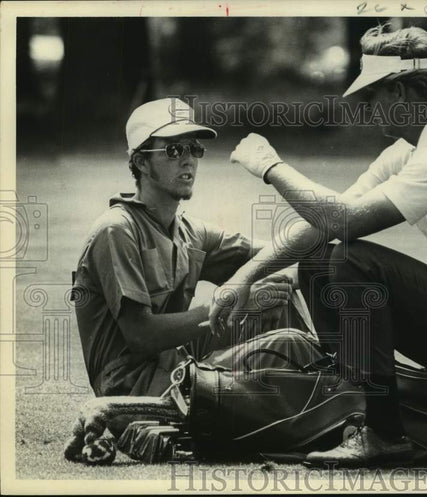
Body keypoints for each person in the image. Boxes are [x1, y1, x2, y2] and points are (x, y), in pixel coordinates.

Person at [209, 25, 427, 466]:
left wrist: (271, 166)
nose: (367, 107)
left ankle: (384, 433)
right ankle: (347, 410)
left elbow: (344, 223)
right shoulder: (415, 146)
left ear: (405, 93)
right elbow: (323, 225)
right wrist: (246, 277)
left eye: (373, 95)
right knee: (319, 261)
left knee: (352, 258)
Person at [73, 98, 294, 398]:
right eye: (174, 150)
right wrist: (228, 302)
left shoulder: (190, 230)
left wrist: (334, 230)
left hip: (175, 361)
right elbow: (141, 335)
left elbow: (278, 253)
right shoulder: (116, 230)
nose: (188, 160)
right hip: (132, 384)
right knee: (284, 346)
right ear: (141, 162)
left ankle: (329, 390)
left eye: (194, 149)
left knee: (274, 299)